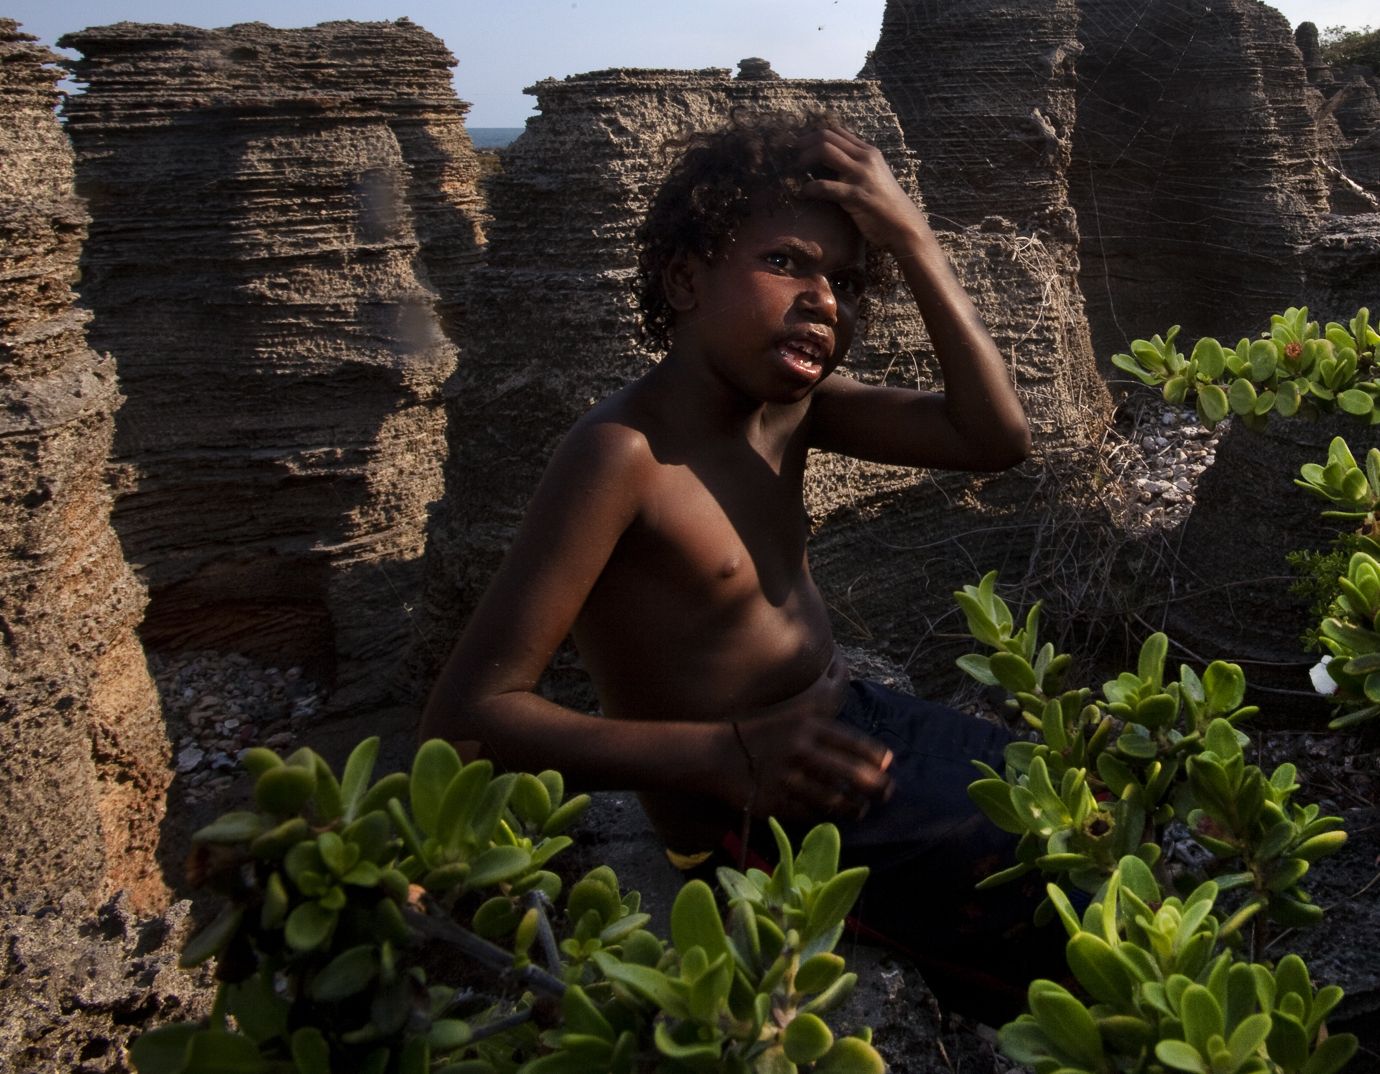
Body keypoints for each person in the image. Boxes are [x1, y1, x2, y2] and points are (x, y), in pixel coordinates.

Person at [420, 114, 1060, 1011]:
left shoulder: (794, 410)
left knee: (1064, 802)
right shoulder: (622, 454)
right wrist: (725, 755)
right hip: (746, 810)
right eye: (787, 263)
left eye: (844, 280)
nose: (825, 300)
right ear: (685, 277)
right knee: (1035, 901)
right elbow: (464, 722)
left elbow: (994, 437)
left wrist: (913, 237)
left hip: (847, 720)